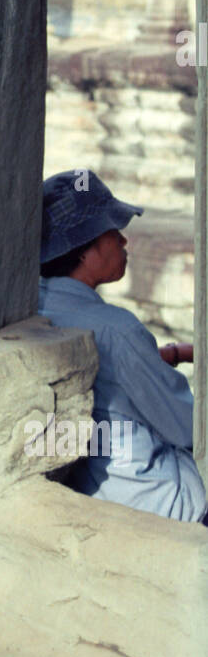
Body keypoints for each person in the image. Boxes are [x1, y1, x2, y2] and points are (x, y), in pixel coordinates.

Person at [37, 169, 207, 524]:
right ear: (85, 252)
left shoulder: (33, 306)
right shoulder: (118, 328)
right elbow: (188, 427)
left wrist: (173, 354)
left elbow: (108, 373)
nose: (124, 243)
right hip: (156, 499)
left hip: (95, 489)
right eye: (113, 233)